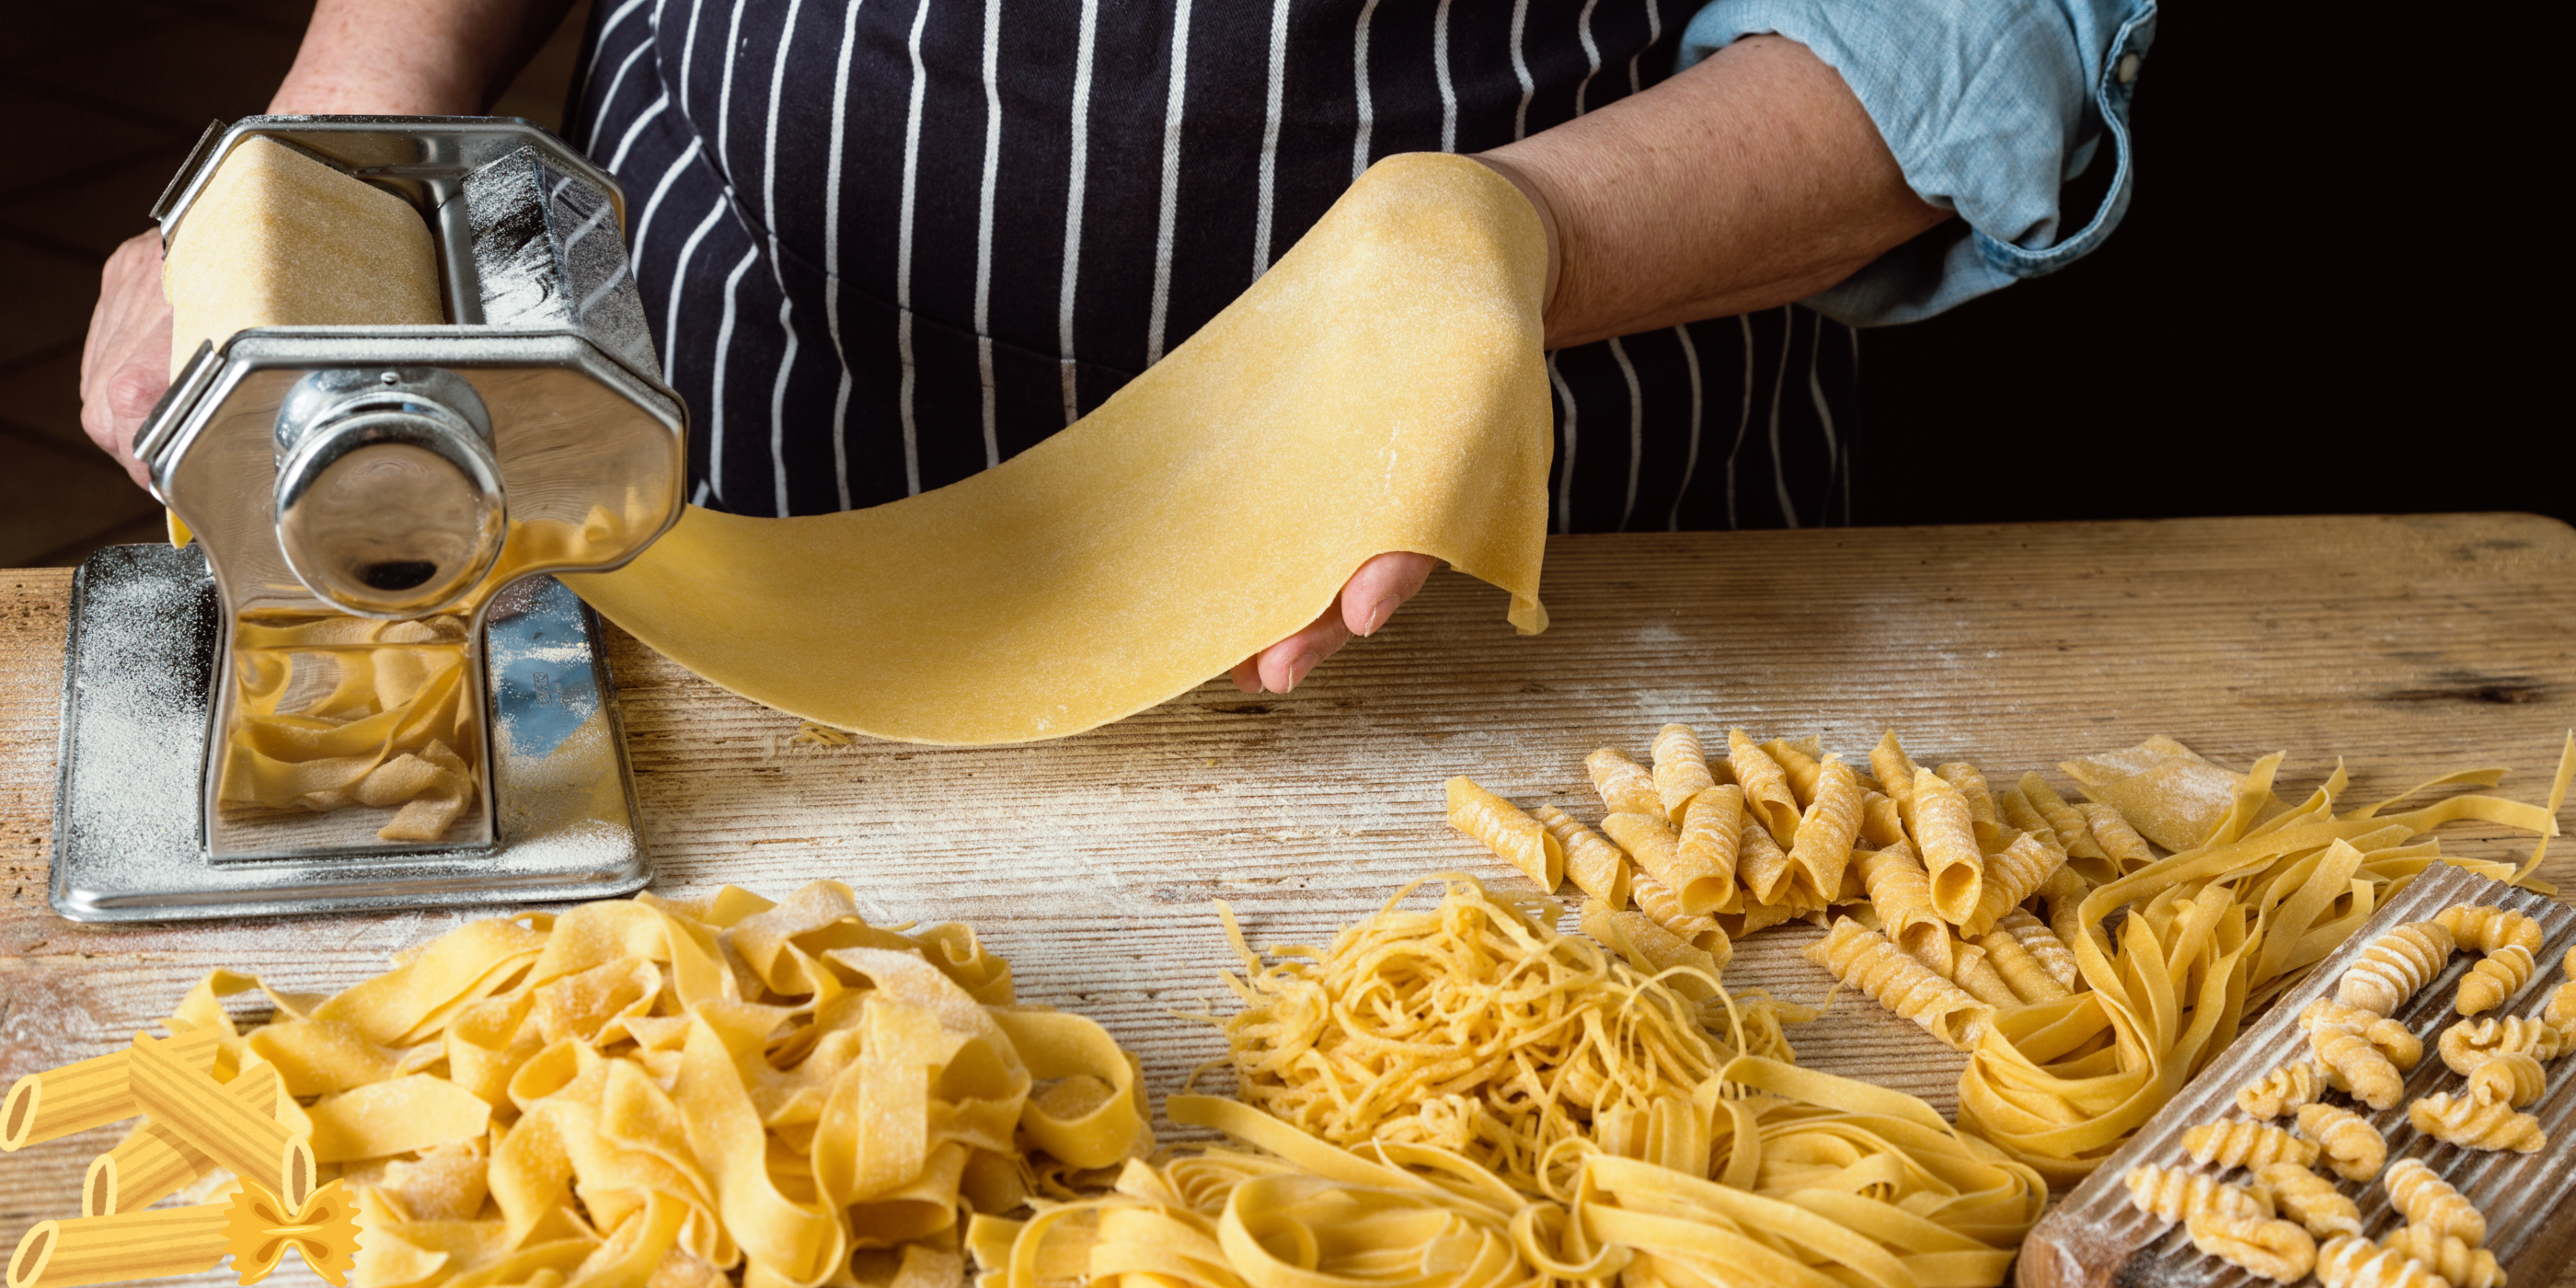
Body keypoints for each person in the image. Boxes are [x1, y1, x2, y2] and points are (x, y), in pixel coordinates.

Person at [78, 0, 2152, 695]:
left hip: (1529, 545)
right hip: (726, 468)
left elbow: (1954, 29)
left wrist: (1496, 250)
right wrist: (322, 171)